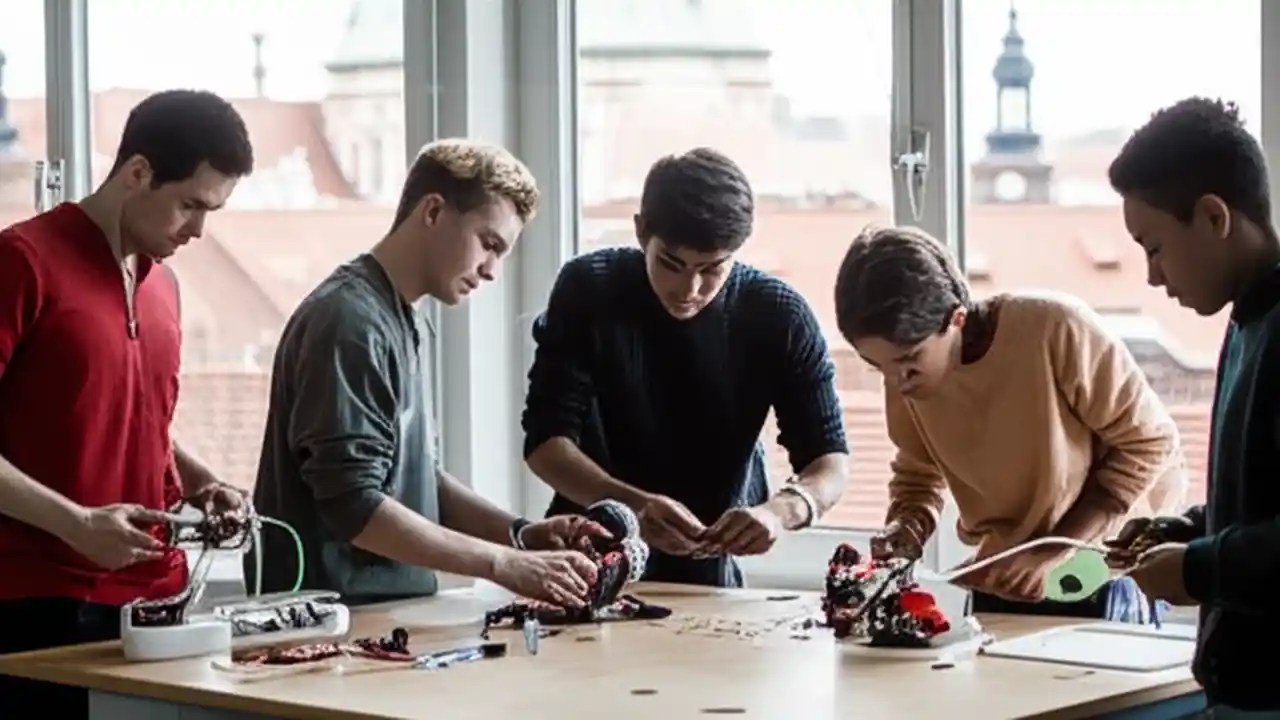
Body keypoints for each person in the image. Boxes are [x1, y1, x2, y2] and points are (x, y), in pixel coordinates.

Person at [251, 138, 607, 609]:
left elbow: (416, 479)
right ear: (434, 211)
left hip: (381, 617)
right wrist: (502, 564)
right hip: (331, 628)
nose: (492, 271)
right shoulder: (350, 322)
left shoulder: (400, 318)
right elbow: (354, 504)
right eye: (489, 243)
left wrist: (519, 535)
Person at [0, 90, 253, 716]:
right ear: (138, 173)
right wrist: (78, 525)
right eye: (190, 205)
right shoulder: (21, 262)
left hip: (157, 607)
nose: (198, 230)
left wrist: (199, 481)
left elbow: (129, 416)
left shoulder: (163, 284)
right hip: (36, 607)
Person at [521, 147, 850, 588]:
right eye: (670, 264)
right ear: (641, 233)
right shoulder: (589, 288)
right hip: (583, 556)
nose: (689, 289)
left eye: (712, 269)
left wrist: (780, 511)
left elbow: (828, 461)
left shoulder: (779, 315)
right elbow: (546, 444)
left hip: (708, 568)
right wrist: (633, 505)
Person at [832, 224, 1187, 618]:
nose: (896, 381)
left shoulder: (1053, 328)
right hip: (1003, 569)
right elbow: (918, 473)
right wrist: (907, 526)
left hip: (1103, 568)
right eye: (875, 365)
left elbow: (1149, 443)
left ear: (957, 320)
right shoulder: (901, 374)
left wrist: (1051, 549)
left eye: (909, 360)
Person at [1105, 97, 1280, 715]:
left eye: (1153, 246)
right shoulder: (1247, 320)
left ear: (1213, 217)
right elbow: (1261, 497)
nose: (1153, 277)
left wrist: (1197, 568)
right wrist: (1187, 530)